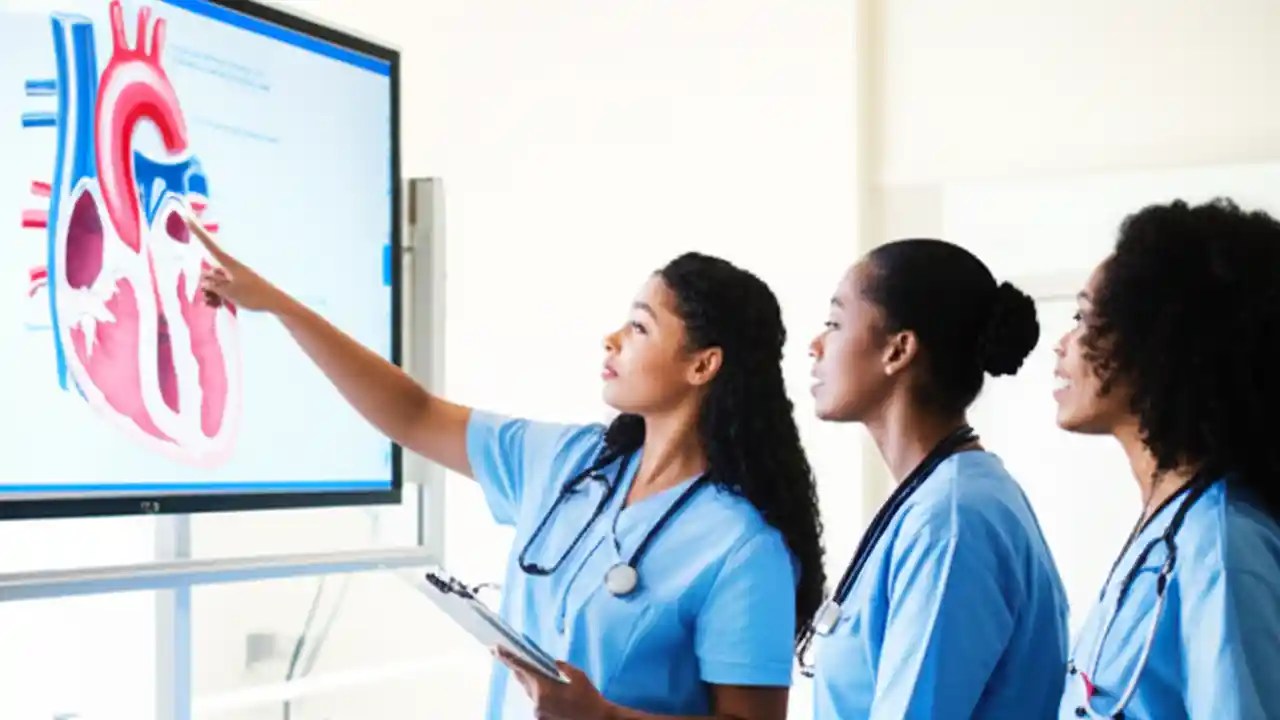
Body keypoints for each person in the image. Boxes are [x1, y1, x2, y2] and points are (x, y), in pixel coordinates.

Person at [185, 217, 825, 720]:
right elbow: (411, 412)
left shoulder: (744, 549)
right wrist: (283, 309)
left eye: (638, 327)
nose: (611, 340)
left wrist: (604, 718)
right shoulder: (568, 464)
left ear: (701, 365)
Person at [801, 238, 1070, 719]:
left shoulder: (950, 521)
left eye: (835, 324)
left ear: (898, 350)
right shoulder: (941, 497)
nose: (815, 345)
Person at [1053, 198, 1280, 719]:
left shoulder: (1220, 544)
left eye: (1083, 318)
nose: (1063, 345)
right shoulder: (1170, 526)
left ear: (1157, 341)